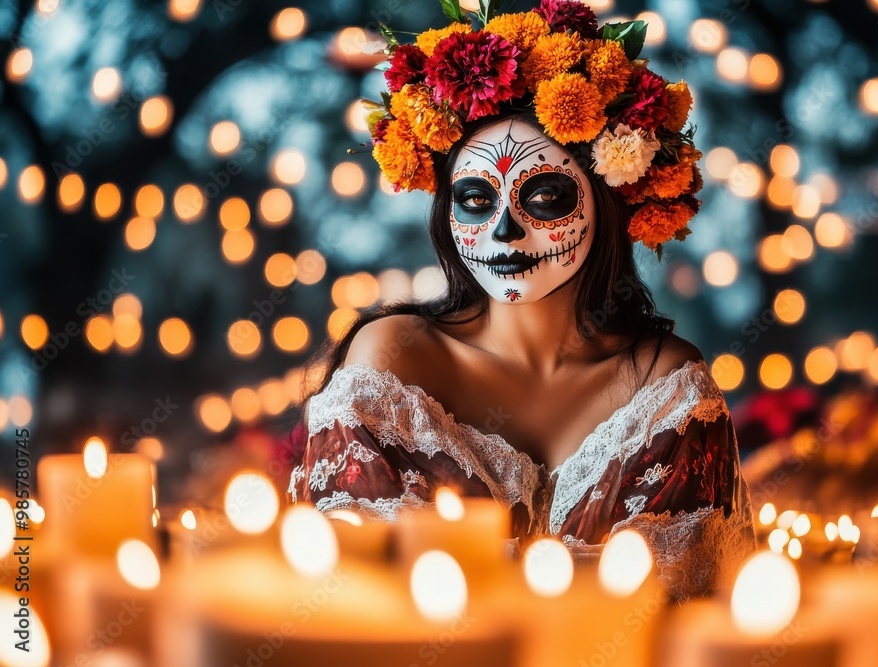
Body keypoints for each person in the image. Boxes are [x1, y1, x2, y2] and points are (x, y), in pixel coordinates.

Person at [288, 0, 755, 601]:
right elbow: (344, 602)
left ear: (609, 200)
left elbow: (700, 611)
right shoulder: (394, 362)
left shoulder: (666, 387)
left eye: (544, 196)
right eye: (477, 200)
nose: (504, 231)